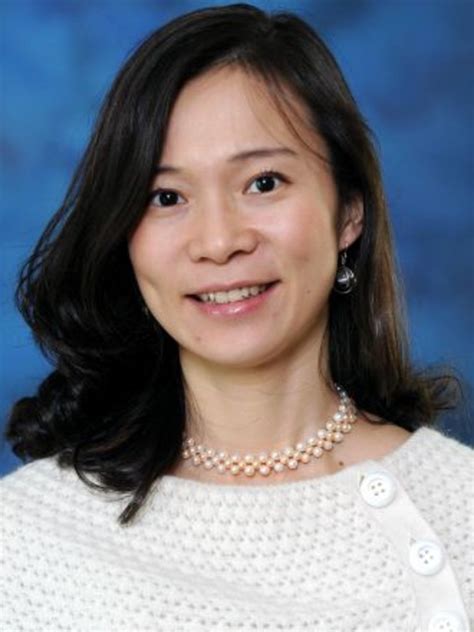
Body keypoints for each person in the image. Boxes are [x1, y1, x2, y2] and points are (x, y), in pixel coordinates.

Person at [1, 4, 472, 631]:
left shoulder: (461, 503)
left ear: (349, 212)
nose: (219, 242)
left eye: (264, 183)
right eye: (166, 197)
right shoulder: (24, 537)